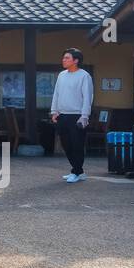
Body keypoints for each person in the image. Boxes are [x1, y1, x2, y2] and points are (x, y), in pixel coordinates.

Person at [49, 48, 93, 183]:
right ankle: (78, 171)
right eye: (63, 58)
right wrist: (54, 111)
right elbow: (56, 93)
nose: (64, 60)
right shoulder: (62, 75)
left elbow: (88, 97)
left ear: (76, 60)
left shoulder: (84, 76)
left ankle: (77, 171)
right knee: (66, 144)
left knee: (77, 144)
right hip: (62, 115)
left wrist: (84, 115)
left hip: (77, 115)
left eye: (67, 58)